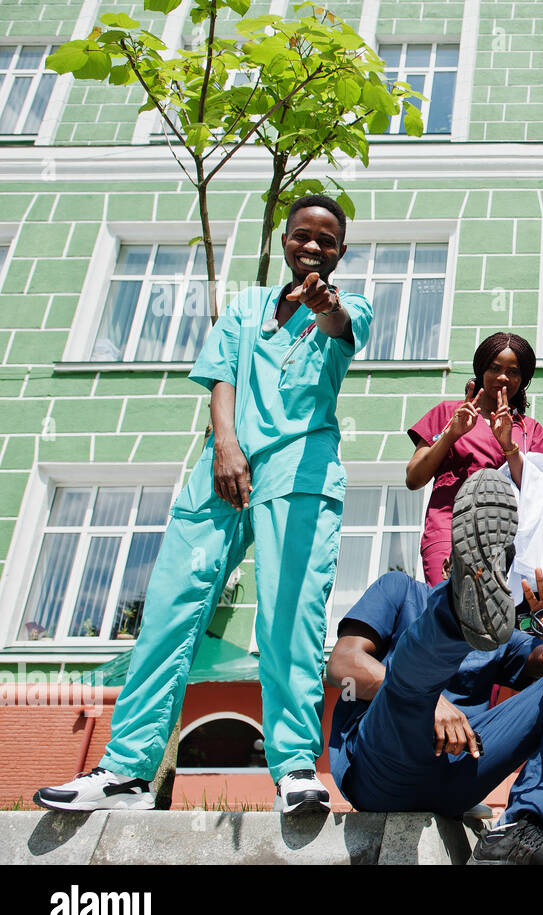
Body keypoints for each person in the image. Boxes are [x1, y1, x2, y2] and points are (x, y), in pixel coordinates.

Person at [35, 195, 372, 814]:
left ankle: (296, 768)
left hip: (301, 469)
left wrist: (324, 304)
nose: (314, 247)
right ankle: (126, 774)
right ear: (286, 240)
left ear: (341, 252)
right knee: (167, 612)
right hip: (224, 464)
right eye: (303, 235)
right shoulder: (245, 306)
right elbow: (222, 377)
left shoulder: (353, 304)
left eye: (328, 240)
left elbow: (339, 322)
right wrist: (225, 446)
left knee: (287, 616)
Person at [326, 470, 543, 865]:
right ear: (447, 563)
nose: (492, 571)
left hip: (457, 775)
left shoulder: (501, 630)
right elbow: (342, 664)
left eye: (494, 564)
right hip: (383, 767)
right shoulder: (398, 590)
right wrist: (431, 701)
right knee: (415, 674)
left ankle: (520, 825)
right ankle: (451, 616)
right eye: (471, 564)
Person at [406, 333, 543, 585]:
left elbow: (540, 492)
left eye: (513, 371)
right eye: (495, 368)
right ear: (481, 369)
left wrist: (508, 446)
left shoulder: (529, 430)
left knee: (495, 618)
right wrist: (450, 435)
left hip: (508, 540)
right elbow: (413, 479)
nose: (504, 377)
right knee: (449, 610)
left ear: (523, 379)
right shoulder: (448, 413)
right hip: (449, 530)